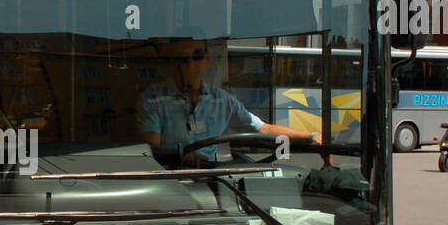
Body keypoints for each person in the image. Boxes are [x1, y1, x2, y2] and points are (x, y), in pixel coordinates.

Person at [137, 28, 322, 166]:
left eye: (197, 56)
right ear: (171, 61)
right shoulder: (152, 99)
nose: (190, 65)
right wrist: (180, 155)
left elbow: (263, 129)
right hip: (170, 180)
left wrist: (310, 136)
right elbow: (150, 149)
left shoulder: (222, 100)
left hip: (213, 178)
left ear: (207, 58)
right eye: (182, 59)